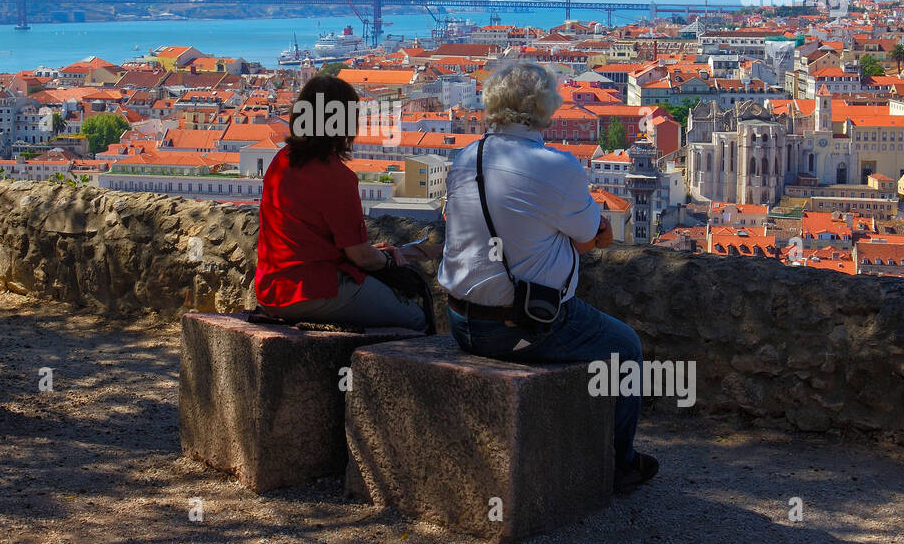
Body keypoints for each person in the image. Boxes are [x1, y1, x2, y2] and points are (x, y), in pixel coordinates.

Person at [438, 61, 658, 492]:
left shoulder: (465, 157)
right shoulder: (557, 166)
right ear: (546, 109)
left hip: (461, 322)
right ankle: (621, 464)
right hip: (526, 326)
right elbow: (594, 237)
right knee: (626, 347)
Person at [255, 74, 436, 331]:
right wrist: (387, 260)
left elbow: (314, 239)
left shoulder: (281, 160)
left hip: (271, 289)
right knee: (415, 318)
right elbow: (361, 257)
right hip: (311, 290)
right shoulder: (336, 177)